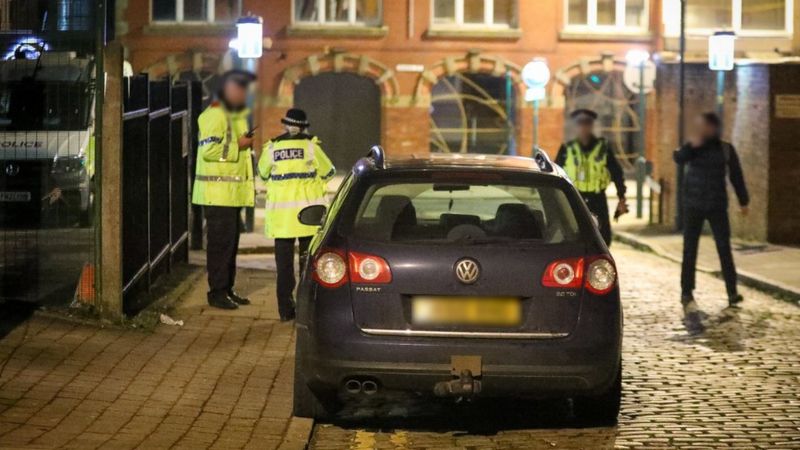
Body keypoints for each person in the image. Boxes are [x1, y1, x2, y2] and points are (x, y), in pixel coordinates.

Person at [258, 109, 335, 321]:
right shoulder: (311, 147)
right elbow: (329, 172)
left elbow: (263, 174)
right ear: (303, 126)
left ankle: (285, 311)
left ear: (285, 125)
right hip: (307, 217)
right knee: (307, 265)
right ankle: (305, 310)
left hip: (281, 220)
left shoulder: (272, 147)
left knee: (283, 268)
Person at [192, 70, 257, 310]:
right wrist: (238, 145)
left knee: (230, 244)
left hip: (230, 195)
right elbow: (208, 151)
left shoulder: (234, 115)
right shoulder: (213, 115)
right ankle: (217, 292)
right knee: (220, 245)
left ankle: (227, 289)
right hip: (216, 194)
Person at [674, 112, 749, 309]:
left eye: (707, 126)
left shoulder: (725, 149)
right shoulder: (694, 147)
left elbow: (736, 175)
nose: (704, 129)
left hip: (716, 205)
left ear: (715, 127)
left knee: (724, 248)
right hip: (693, 205)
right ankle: (686, 291)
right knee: (690, 249)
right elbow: (678, 158)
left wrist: (744, 200)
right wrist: (691, 144)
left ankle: (732, 292)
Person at [555, 109, 628, 246]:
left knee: (603, 239)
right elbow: (556, 174)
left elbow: (616, 173)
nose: (584, 127)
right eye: (580, 123)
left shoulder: (603, 147)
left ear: (591, 125)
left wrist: (621, 197)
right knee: (574, 238)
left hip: (597, 199)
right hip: (575, 198)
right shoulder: (567, 149)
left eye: (587, 123)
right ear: (576, 126)